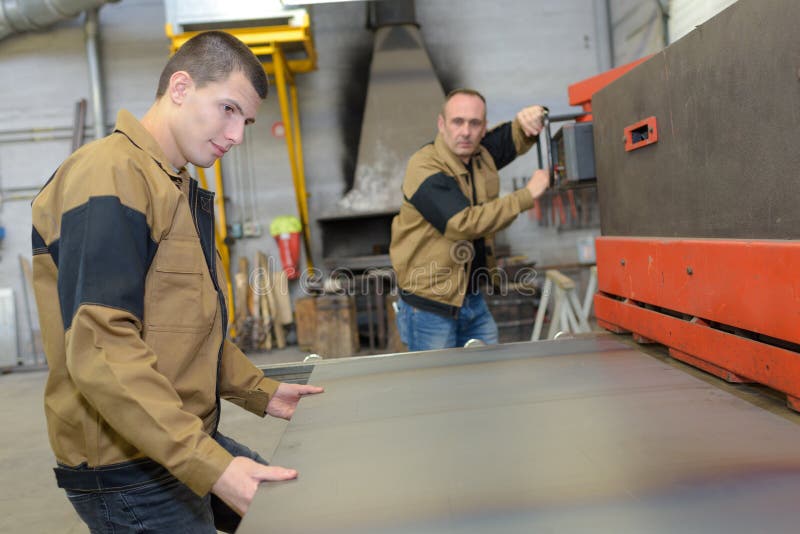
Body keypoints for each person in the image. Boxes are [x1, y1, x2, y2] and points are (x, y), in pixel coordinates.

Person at [30, 31, 323, 533]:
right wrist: (211, 466)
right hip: (128, 467)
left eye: (246, 121)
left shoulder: (175, 181)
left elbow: (188, 323)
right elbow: (102, 346)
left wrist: (261, 391)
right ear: (181, 87)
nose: (235, 135)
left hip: (170, 436)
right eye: (228, 109)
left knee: (291, 507)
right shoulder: (110, 174)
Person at [390, 88, 549, 351]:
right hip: (430, 307)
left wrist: (535, 115)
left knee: (489, 379)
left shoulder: (479, 155)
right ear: (442, 124)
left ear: (483, 127)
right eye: (457, 121)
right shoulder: (425, 166)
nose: (466, 131)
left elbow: (515, 136)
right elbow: (461, 223)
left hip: (472, 298)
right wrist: (527, 195)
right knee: (438, 387)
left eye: (474, 123)